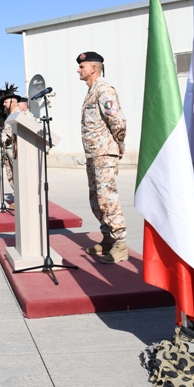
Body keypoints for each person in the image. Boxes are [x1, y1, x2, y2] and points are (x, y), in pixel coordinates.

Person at [76, 51, 129, 264]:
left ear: (93, 68)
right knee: (96, 199)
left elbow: (118, 121)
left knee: (107, 198)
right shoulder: (91, 91)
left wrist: (119, 144)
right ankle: (108, 238)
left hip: (105, 153)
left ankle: (120, 244)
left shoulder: (104, 89)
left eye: (82, 66)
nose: (78, 70)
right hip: (93, 154)